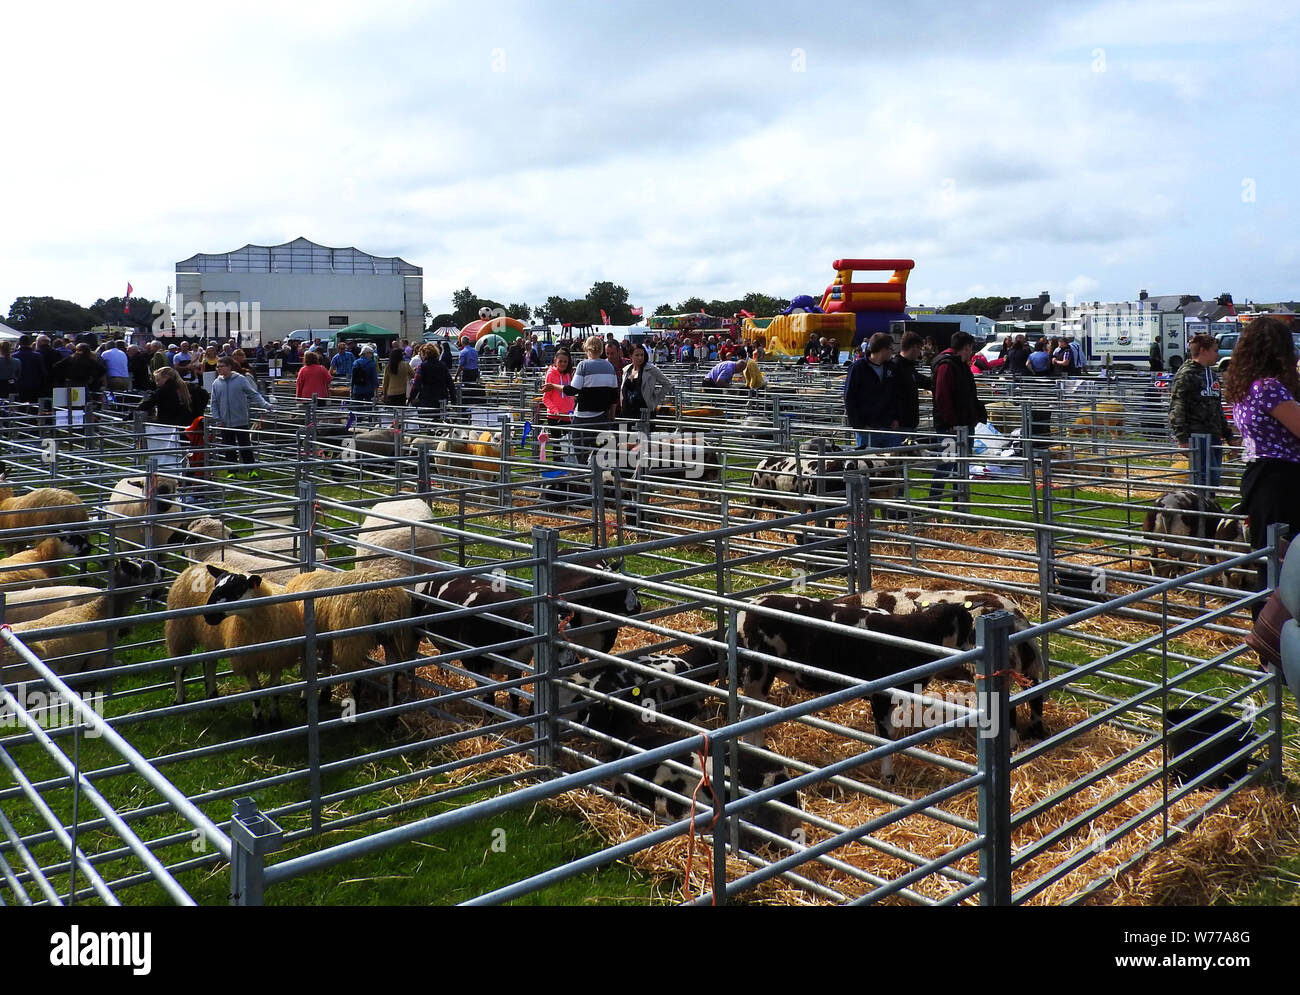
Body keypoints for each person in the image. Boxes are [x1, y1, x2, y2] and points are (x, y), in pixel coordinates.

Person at [1222, 316, 1300, 598]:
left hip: (1259, 477)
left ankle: (1267, 626)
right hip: (1282, 481)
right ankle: (1277, 630)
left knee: (1270, 559)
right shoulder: (1268, 388)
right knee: (1285, 561)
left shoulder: (1245, 387)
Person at [928, 331, 987, 504]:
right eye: (970, 348)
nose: (971, 352)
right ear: (966, 347)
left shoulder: (958, 364)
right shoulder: (947, 365)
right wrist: (951, 422)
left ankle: (959, 505)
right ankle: (934, 504)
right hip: (951, 427)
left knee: (961, 466)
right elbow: (942, 397)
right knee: (946, 464)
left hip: (963, 424)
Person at [1169, 333, 1233, 489]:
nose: (1217, 354)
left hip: (1213, 434)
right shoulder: (1186, 374)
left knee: (1213, 478)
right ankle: (1200, 511)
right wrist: (1182, 438)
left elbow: (1217, 407)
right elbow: (1178, 406)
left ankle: (1208, 509)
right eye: (1215, 350)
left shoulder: (1211, 375)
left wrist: (1228, 434)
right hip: (1197, 434)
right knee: (1202, 479)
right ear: (1204, 351)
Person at [211, 355, 271, 479]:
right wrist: (217, 418)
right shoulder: (216, 382)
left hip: (241, 419)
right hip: (225, 421)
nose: (218, 369)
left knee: (245, 446)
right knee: (229, 446)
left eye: (221, 366)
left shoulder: (240, 379)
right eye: (217, 367)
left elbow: (253, 394)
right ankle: (231, 471)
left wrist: (265, 405)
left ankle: (251, 470)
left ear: (229, 367)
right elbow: (214, 402)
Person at [563, 335, 620, 463]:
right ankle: (597, 481)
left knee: (580, 453)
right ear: (601, 349)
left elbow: (573, 389)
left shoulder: (583, 365)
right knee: (599, 456)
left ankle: (584, 478)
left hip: (583, 418)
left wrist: (554, 387)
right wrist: (611, 415)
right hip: (602, 417)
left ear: (586, 348)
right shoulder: (609, 367)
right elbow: (614, 394)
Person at [844, 333, 900, 449]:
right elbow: (849, 397)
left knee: (893, 464)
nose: (892, 352)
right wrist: (858, 425)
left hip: (888, 427)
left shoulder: (891, 368)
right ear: (883, 349)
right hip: (866, 428)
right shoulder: (858, 368)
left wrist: (896, 418)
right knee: (868, 464)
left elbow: (896, 394)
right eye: (890, 349)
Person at [139, 367, 199, 471]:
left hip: (168, 427)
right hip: (185, 426)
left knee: (170, 455)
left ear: (166, 377)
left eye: (158, 380)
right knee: (185, 453)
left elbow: (148, 403)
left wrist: (129, 415)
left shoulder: (164, 390)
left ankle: (175, 476)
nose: (157, 383)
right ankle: (188, 477)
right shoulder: (185, 387)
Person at [892, 331, 932, 435]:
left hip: (909, 422)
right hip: (900, 424)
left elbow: (924, 381)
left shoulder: (908, 367)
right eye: (919, 348)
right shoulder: (896, 367)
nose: (920, 353)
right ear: (913, 347)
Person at [620, 343, 671, 423]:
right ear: (631, 356)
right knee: (626, 435)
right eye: (637, 355)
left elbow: (667, 384)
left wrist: (655, 401)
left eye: (642, 355)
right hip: (627, 412)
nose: (640, 358)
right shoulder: (626, 370)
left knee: (644, 435)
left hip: (645, 412)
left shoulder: (651, 369)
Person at [540, 348, 577, 460]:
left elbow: (570, 394)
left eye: (565, 361)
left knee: (569, 444)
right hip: (554, 416)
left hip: (568, 415)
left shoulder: (568, 375)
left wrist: (572, 404)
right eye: (560, 361)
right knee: (557, 446)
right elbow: (546, 398)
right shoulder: (551, 374)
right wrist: (555, 410)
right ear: (555, 360)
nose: (563, 364)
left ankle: (568, 468)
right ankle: (557, 469)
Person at [411, 342, 453, 414]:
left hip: (427, 399)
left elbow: (416, 385)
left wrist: (410, 398)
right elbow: (450, 383)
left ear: (424, 354)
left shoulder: (421, 367)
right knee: (440, 421)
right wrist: (453, 399)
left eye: (421, 354)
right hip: (442, 398)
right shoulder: (443, 365)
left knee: (426, 422)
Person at [15, 335, 48, 402]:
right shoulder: (38, 356)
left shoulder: (14, 356)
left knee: (21, 407)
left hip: (19, 385)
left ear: (20, 343)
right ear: (30, 343)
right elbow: (42, 372)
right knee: (34, 407)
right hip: (35, 385)